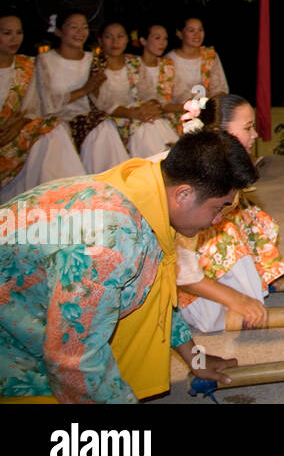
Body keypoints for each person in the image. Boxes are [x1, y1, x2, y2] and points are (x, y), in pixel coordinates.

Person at [0, 128, 255, 402]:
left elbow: (158, 293)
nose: (218, 221)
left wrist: (195, 358)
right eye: (218, 208)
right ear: (183, 195)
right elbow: (73, 358)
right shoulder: (111, 244)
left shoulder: (147, 187)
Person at [176, 94, 284, 333]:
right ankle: (216, 303)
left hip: (190, 267)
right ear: (219, 132)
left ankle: (248, 287)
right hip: (185, 280)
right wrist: (237, 300)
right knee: (225, 229)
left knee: (250, 217)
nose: (255, 135)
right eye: (248, 127)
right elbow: (181, 266)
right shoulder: (194, 177)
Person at [0, 13, 83, 203]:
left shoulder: (27, 65)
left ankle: (67, 197)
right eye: (7, 33)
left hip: (16, 132)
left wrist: (17, 124)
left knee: (53, 126)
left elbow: (34, 106)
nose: (15, 39)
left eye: (19, 32)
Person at [35, 9, 129, 174]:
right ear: (58, 31)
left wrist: (96, 89)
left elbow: (103, 101)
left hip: (86, 118)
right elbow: (46, 102)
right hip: (56, 118)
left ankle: (112, 182)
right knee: (56, 133)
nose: (80, 32)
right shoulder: (46, 60)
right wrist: (85, 89)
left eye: (84, 27)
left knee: (104, 125)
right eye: (74, 27)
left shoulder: (93, 59)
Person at [92, 21, 179, 158]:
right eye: (109, 37)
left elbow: (149, 92)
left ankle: (172, 158)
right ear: (101, 40)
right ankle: (155, 163)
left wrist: (150, 106)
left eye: (120, 36)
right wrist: (131, 113)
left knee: (154, 121)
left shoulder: (133, 63)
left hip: (139, 113)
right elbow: (102, 102)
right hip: (114, 117)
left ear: (127, 39)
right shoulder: (95, 66)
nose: (115, 42)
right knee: (144, 127)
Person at [138, 22, 184, 127]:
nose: (162, 43)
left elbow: (181, 91)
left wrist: (189, 103)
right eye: (157, 38)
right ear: (143, 40)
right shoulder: (133, 65)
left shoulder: (168, 66)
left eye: (165, 39)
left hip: (168, 118)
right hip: (143, 117)